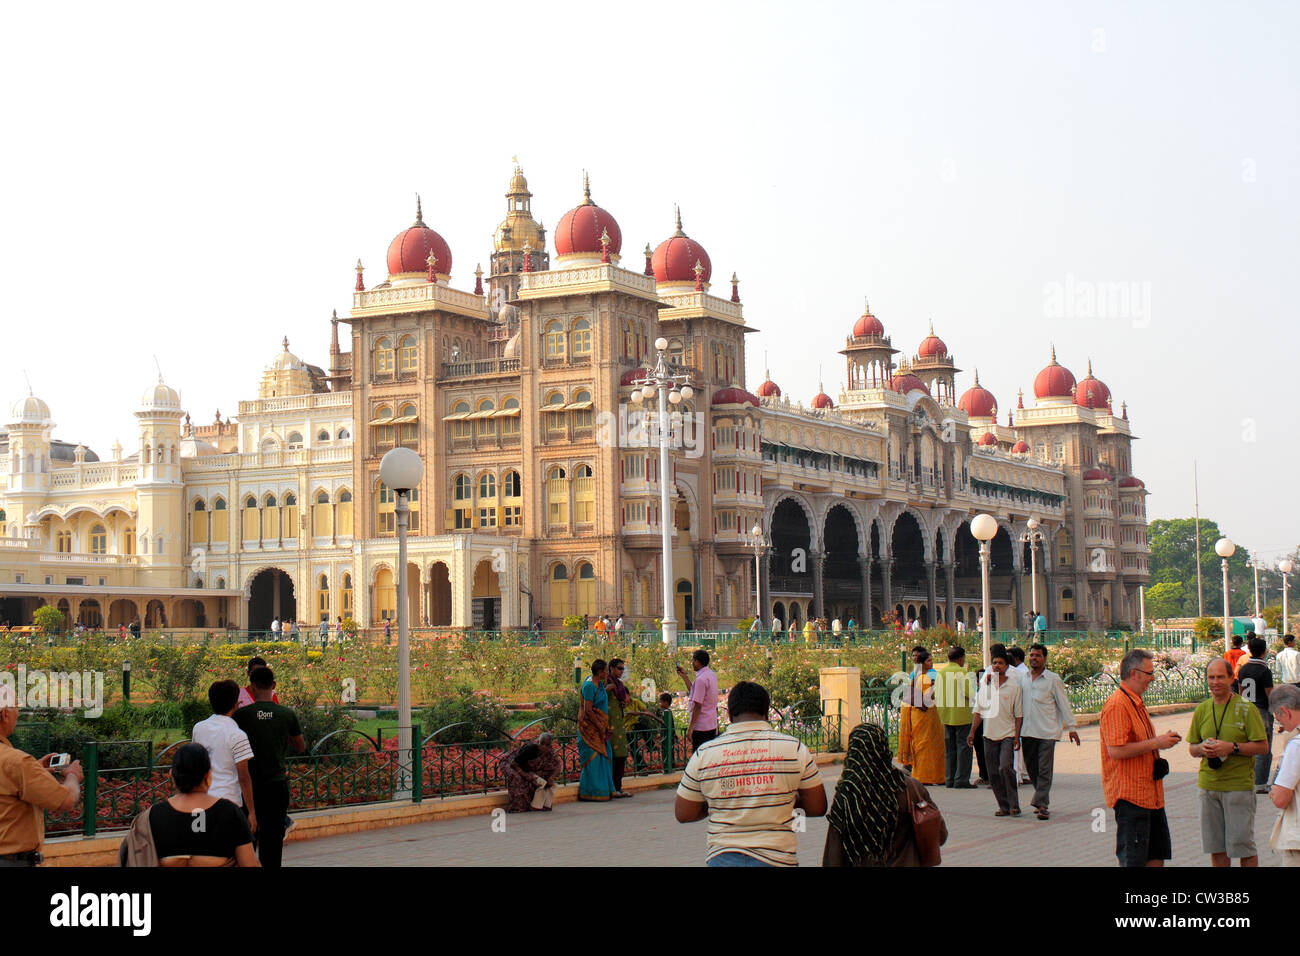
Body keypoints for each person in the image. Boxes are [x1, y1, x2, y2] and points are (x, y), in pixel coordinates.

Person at [675, 681, 827, 866]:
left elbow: (684, 813)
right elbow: (818, 807)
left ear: (729, 715)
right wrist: (784, 800)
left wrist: (723, 802)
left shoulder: (705, 753)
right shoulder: (794, 749)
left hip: (722, 857)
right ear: (766, 712)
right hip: (778, 858)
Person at [823, 723, 948, 866]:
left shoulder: (848, 794)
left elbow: (833, 853)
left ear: (852, 754)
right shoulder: (910, 788)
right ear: (884, 749)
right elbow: (940, 835)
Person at [1100, 648, 1182, 867]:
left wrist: (1159, 743)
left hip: (1150, 795)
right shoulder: (1118, 705)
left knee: (1156, 858)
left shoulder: (1135, 702)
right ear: (1135, 673)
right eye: (1149, 673)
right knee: (1134, 861)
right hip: (1131, 797)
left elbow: (1139, 744)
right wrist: (1157, 743)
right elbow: (1115, 750)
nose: (1152, 678)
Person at [1185, 658, 1267, 867]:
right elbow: (1192, 748)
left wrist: (1232, 747)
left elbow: (1262, 747)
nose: (1215, 682)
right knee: (1217, 849)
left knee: (1244, 847)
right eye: (1211, 677)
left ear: (1232, 678)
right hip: (1208, 787)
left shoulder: (1246, 709)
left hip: (1238, 788)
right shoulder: (1202, 709)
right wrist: (1202, 749)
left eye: (1221, 677)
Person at [121, 744, 258, 867]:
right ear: (208, 776)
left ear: (171, 776)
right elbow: (249, 864)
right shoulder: (230, 813)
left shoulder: (150, 818)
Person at [0, 684, 83, 867]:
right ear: (5, 714)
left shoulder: (18, 765)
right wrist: (72, 776)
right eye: (16, 707)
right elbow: (67, 800)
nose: (18, 713)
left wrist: (34, 769)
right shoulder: (17, 763)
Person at [234, 666, 305, 867]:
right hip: (276, 785)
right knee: (273, 843)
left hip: (249, 787)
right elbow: (301, 746)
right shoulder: (286, 714)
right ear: (273, 685)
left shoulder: (242, 716)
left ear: (252, 688)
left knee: (248, 839)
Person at [1019, 644, 1080, 820]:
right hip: (1028, 732)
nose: (1034, 658)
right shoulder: (1023, 679)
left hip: (1047, 732)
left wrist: (1072, 727)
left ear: (1044, 659)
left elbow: (1063, 703)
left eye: (1038, 655)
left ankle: (1042, 804)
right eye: (1031, 655)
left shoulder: (1053, 679)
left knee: (1044, 769)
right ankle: (1041, 798)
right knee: (1032, 769)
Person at [191, 680, 257, 836]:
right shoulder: (237, 735)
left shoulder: (198, 728)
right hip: (228, 802)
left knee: (200, 846)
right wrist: (252, 812)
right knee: (227, 851)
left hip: (199, 804)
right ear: (236, 703)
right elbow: (244, 777)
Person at [969, 648, 1022, 816]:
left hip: (1007, 734)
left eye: (1001, 663)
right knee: (992, 773)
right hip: (988, 735)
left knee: (1005, 767)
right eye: (994, 663)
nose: (997, 666)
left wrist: (1017, 736)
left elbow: (1018, 714)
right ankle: (1003, 806)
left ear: (1007, 666)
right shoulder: (986, 687)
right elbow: (979, 711)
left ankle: (1014, 804)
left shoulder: (1014, 687)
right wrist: (972, 732)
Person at [1234, 636, 1275, 792]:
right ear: (1264, 651)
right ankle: (1260, 783)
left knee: (1246, 746)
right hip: (1261, 711)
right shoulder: (1264, 670)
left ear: (1249, 650)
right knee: (1264, 748)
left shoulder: (1244, 669)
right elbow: (1269, 693)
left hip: (1246, 709)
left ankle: (1245, 779)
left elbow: (1241, 691)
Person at [898, 648, 944, 786]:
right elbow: (927, 698)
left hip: (920, 715)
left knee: (922, 745)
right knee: (925, 746)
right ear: (923, 663)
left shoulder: (918, 675)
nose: (932, 663)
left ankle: (924, 775)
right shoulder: (924, 678)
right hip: (925, 716)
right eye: (929, 661)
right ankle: (926, 776)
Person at [1267, 684, 1300, 865]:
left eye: (1280, 721)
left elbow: (1280, 798)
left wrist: (1274, 790)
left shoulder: (1296, 745)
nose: (1284, 728)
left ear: (1285, 712)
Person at [935, 646, 975, 789]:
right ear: (960, 658)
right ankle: (961, 779)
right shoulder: (961, 672)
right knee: (964, 747)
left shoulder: (941, 673)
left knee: (950, 749)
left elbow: (936, 693)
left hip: (945, 715)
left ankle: (950, 779)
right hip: (962, 715)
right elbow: (969, 693)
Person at [577, 659, 614, 801]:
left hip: (601, 728)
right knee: (593, 759)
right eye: (605, 671)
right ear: (599, 672)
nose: (607, 673)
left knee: (604, 756)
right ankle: (592, 791)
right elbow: (588, 709)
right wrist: (599, 725)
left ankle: (605, 790)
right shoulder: (589, 686)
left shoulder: (599, 685)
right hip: (589, 729)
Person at [502, 733, 561, 812]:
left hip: (528, 768)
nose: (543, 747)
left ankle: (542, 805)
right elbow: (514, 763)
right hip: (513, 764)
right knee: (517, 779)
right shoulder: (531, 749)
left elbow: (558, 767)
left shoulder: (551, 753)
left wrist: (551, 778)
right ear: (538, 742)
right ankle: (517, 806)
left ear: (550, 746)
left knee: (546, 782)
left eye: (547, 745)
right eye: (542, 743)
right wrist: (525, 775)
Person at [676, 649, 719, 751]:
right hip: (711, 724)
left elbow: (698, 705)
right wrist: (685, 677)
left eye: (693, 661)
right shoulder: (711, 675)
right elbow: (695, 693)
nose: (692, 663)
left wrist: (691, 728)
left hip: (701, 727)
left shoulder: (701, 679)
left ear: (698, 662)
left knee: (700, 757)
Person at [606, 658, 636, 798]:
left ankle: (618, 786)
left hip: (618, 723)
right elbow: (597, 697)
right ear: (611, 668)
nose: (621, 671)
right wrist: (607, 689)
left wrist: (623, 703)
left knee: (621, 754)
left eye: (622, 669)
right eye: (619, 668)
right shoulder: (606, 682)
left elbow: (624, 700)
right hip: (608, 723)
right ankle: (611, 788)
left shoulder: (618, 684)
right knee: (610, 756)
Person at [1007, 646, 1031, 784]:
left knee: (1017, 745)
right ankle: (1021, 774)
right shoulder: (1022, 672)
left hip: (1017, 714)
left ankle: (1019, 775)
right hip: (1018, 713)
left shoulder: (1020, 673)